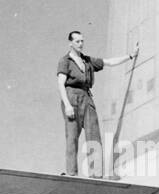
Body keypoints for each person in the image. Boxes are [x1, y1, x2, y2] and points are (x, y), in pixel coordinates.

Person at [57, 30, 134, 177]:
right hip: (71, 96)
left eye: (82, 41)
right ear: (71, 43)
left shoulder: (87, 60)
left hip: (87, 97)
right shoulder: (65, 61)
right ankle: (72, 173)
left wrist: (130, 56)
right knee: (72, 137)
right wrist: (67, 105)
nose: (81, 44)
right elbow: (61, 83)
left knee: (94, 136)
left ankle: (97, 174)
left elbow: (108, 62)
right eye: (77, 41)